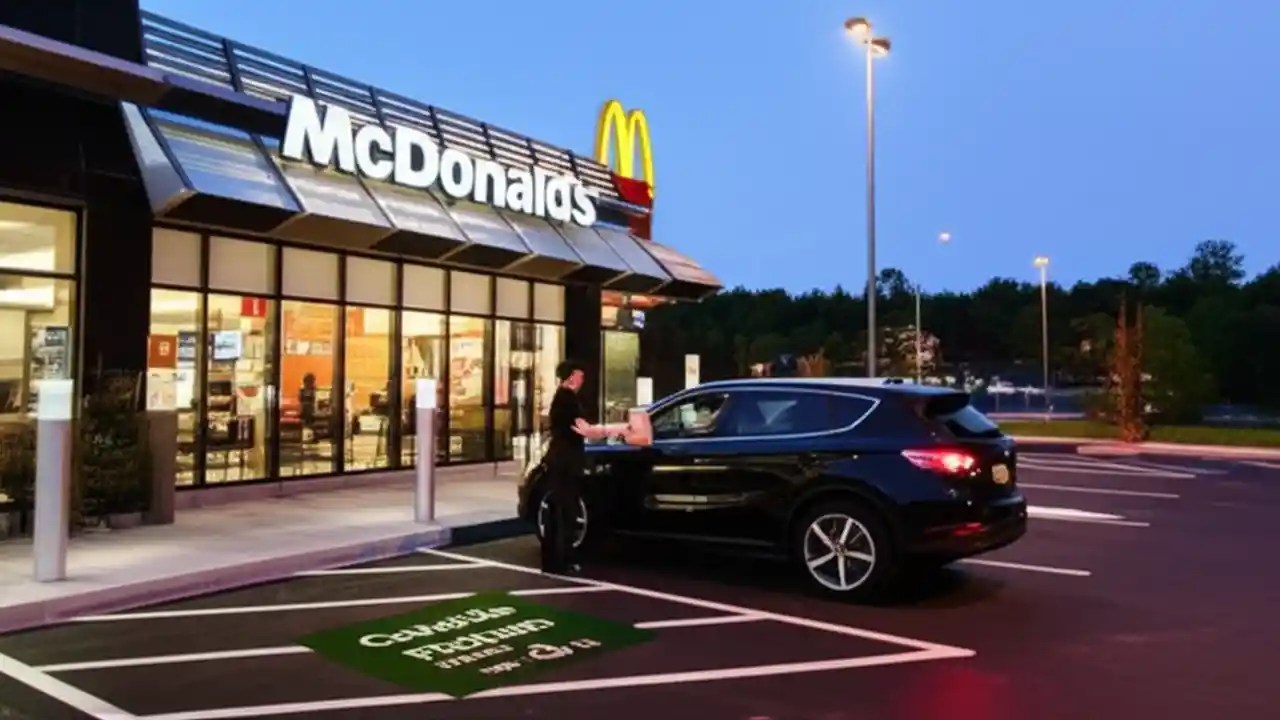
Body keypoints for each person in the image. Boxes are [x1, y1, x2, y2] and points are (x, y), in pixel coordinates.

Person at [541, 359, 609, 574]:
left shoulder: (563, 398)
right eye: (579, 375)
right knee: (566, 511)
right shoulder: (566, 399)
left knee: (560, 510)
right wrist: (615, 430)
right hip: (565, 461)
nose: (582, 379)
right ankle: (561, 561)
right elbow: (583, 429)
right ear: (570, 377)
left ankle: (555, 560)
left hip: (561, 459)